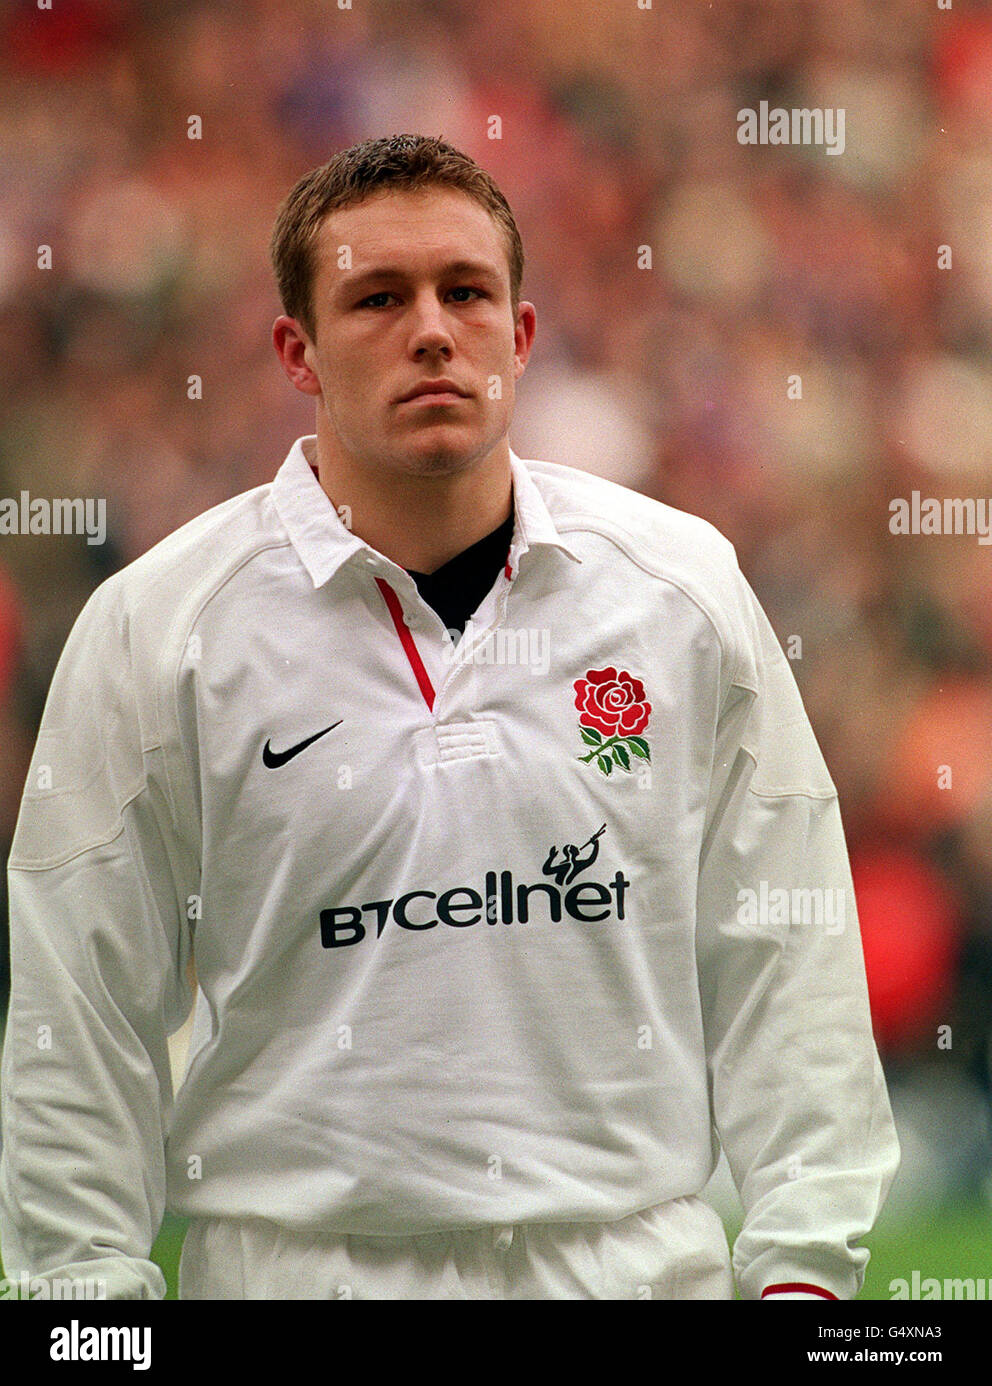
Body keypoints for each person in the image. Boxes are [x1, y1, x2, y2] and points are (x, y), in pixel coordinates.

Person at [0, 133, 899, 1301]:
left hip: (629, 1269)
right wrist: (86, 1310)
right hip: (295, 1276)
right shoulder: (157, 628)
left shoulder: (678, 590)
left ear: (518, 338)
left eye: (465, 292)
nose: (431, 327)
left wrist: (803, 1280)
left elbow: (786, 951)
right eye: (377, 297)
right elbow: (81, 1006)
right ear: (297, 351)